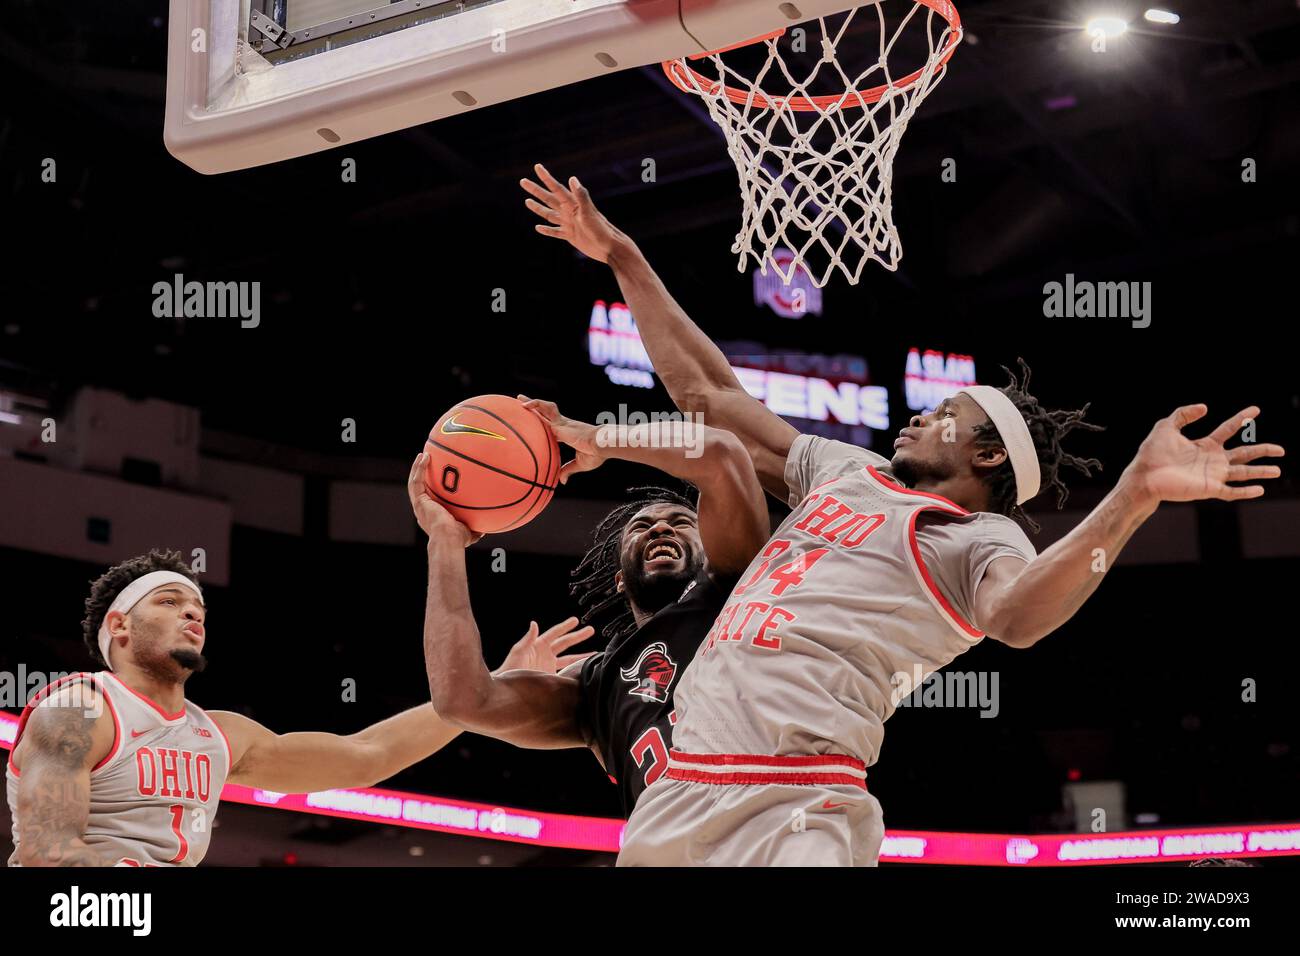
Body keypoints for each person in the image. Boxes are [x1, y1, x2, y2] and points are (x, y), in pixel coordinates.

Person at [520, 163, 1287, 866]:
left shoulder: (975, 537)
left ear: (987, 457)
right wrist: (621, 254)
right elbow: (710, 397)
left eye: (944, 414)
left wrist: (1135, 494)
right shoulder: (848, 471)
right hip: (680, 785)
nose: (919, 417)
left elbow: (1018, 617)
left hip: (794, 800)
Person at [5, 549, 584, 866]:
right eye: (169, 600)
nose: (193, 613)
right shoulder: (79, 711)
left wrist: (488, 690)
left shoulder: (220, 735)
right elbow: (46, 853)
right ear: (119, 626)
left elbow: (365, 754)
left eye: (199, 606)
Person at [411, 398, 769, 816]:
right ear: (620, 578)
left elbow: (722, 456)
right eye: (640, 528)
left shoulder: (739, 589)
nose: (659, 526)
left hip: (770, 834)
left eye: (682, 521)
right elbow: (462, 701)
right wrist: (446, 544)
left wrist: (600, 439)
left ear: (712, 554)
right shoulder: (596, 685)